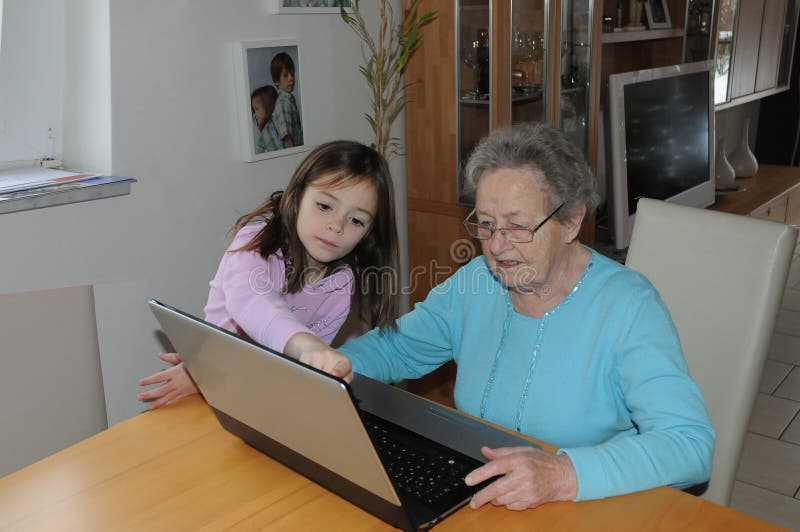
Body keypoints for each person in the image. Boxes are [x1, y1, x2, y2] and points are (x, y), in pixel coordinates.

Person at [301, 122, 715, 510]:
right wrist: (331, 367)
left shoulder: (628, 307)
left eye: (518, 226)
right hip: (487, 500)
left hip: (590, 509)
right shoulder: (477, 283)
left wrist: (566, 474)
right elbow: (398, 348)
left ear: (571, 221)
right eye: (485, 224)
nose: (497, 246)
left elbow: (690, 445)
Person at [138, 140, 399, 410]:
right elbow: (253, 304)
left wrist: (314, 362)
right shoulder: (257, 242)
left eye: (356, 221)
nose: (336, 226)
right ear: (297, 196)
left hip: (262, 391)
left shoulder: (342, 283)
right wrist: (209, 373)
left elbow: (300, 374)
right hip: (213, 383)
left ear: (368, 234)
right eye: (324, 206)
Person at [270, 52, 303, 148]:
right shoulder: (283, 103)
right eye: (285, 75)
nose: (291, 78)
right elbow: (287, 138)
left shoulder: (289, 100)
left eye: (292, 74)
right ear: (276, 81)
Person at [251, 85, 282, 153]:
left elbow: (278, 153)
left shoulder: (268, 131)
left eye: (257, 109)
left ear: (268, 105)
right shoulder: (276, 126)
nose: (255, 114)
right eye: (254, 110)